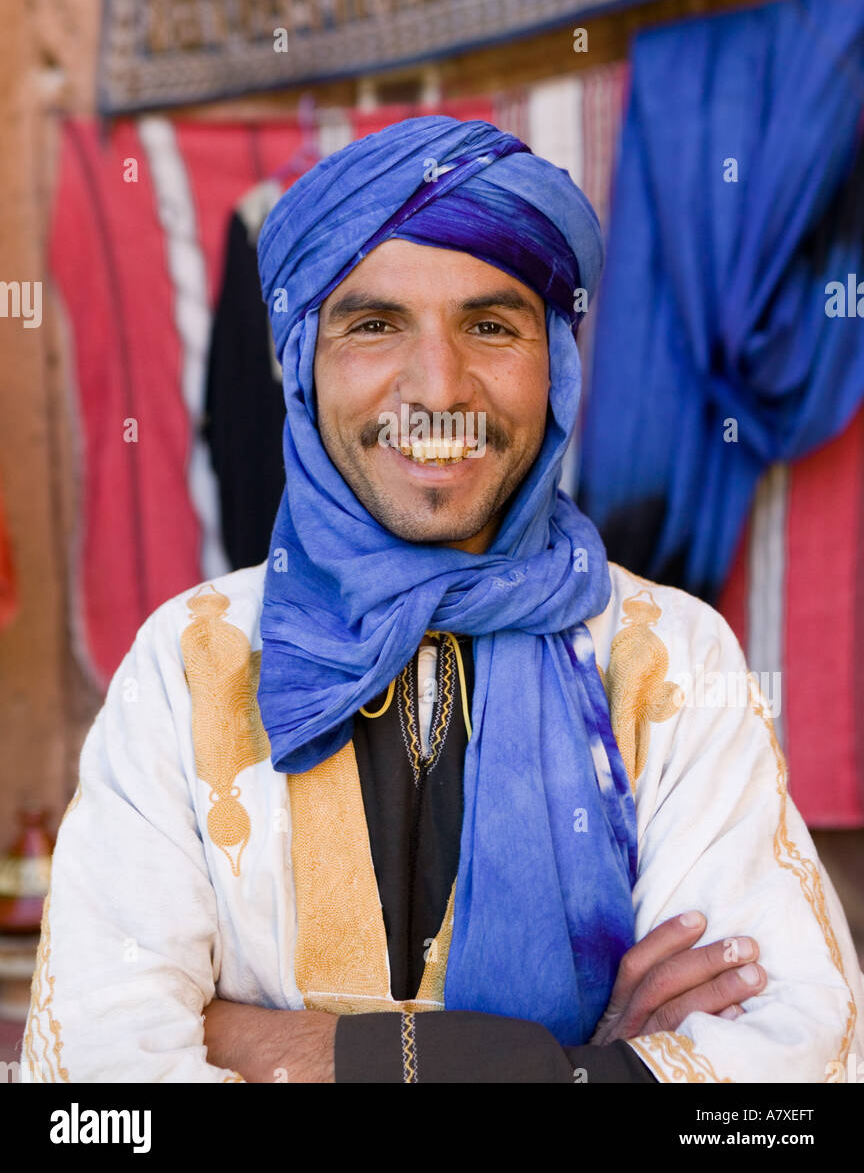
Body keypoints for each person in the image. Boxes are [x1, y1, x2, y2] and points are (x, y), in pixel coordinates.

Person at [22, 116, 863, 1084]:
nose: (438, 384)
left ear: (556, 364)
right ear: (302, 365)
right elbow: (96, 1074)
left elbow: (795, 1069)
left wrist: (304, 1048)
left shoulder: (666, 659)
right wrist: (582, 1066)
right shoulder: (194, 661)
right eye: (375, 324)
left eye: (491, 325)